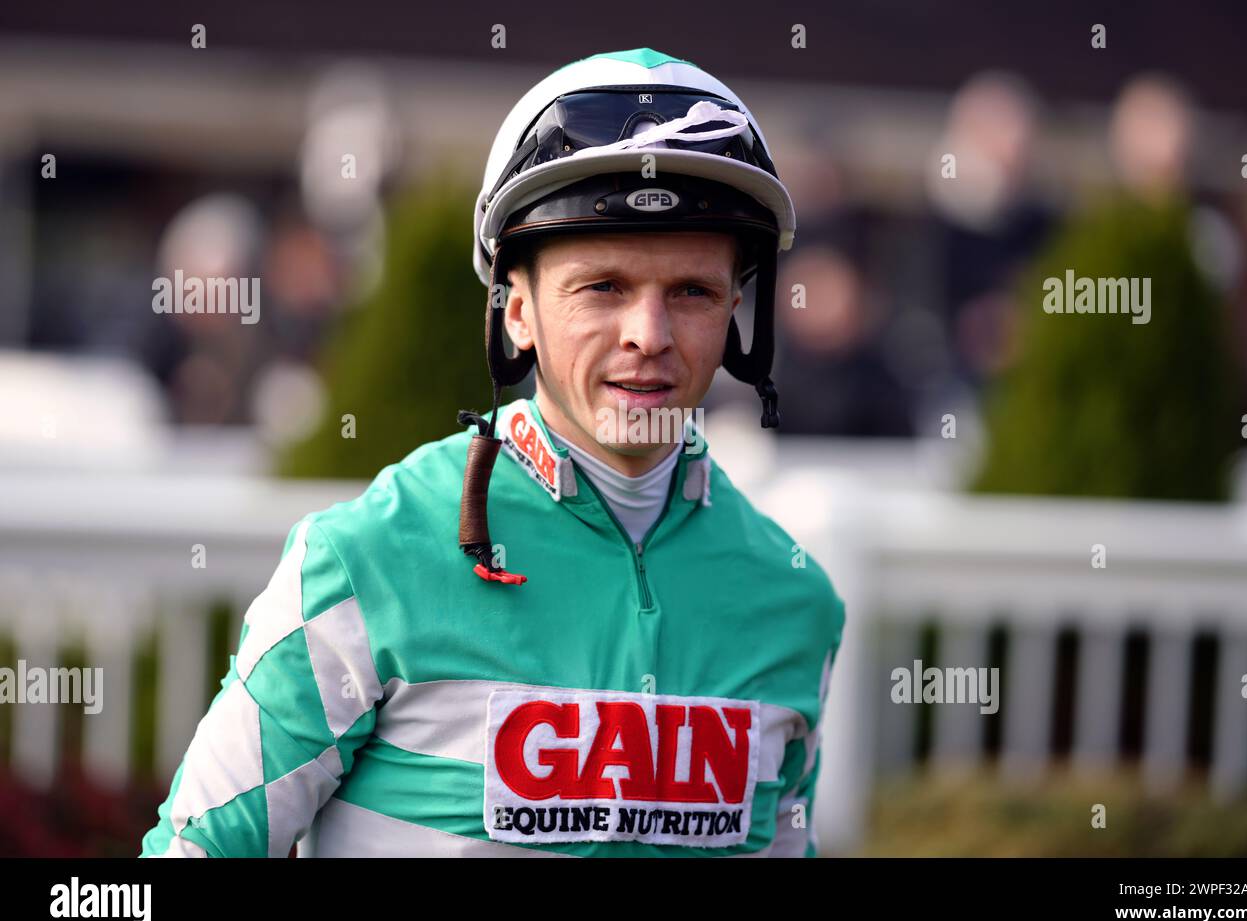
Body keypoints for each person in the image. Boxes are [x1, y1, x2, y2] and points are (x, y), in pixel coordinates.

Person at [140, 47, 845, 858]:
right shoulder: (361, 560)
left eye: (691, 291)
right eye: (603, 286)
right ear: (516, 312)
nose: (649, 336)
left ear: (735, 317)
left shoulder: (795, 602)